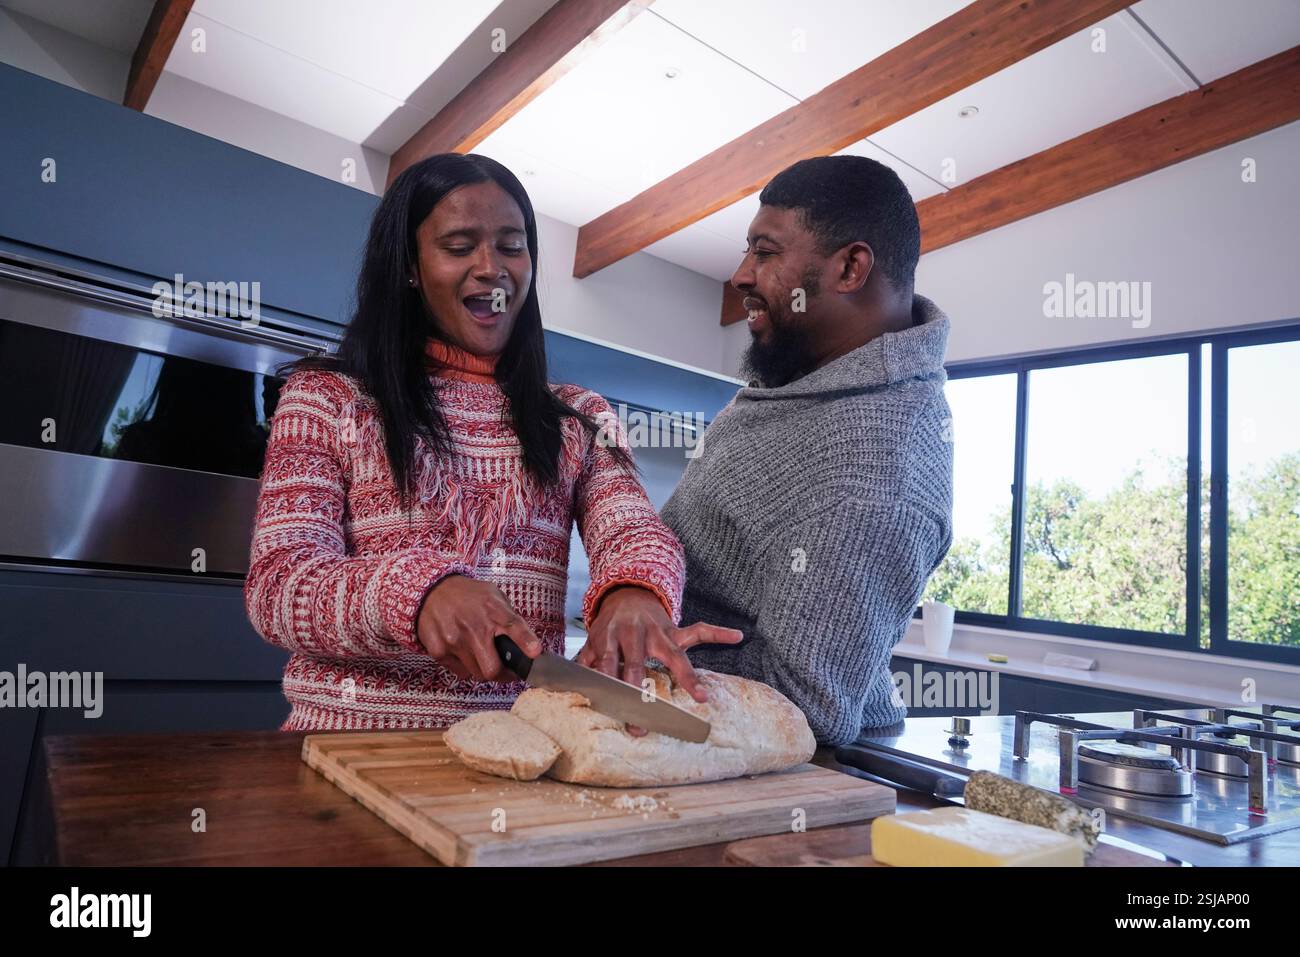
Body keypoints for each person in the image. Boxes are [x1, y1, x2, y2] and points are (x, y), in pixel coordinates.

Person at [245, 153, 739, 730]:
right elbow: (280, 583)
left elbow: (632, 529)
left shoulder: (580, 416)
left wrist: (633, 592)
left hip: (519, 754)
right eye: (458, 246)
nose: (491, 268)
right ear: (409, 265)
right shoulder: (328, 398)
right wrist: (420, 593)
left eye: (511, 245)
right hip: (345, 745)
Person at [660, 155, 954, 746]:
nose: (742, 275)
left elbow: (803, 707)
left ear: (850, 268)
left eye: (765, 253)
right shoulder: (807, 381)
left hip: (774, 789)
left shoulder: (876, 474)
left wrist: (651, 648)